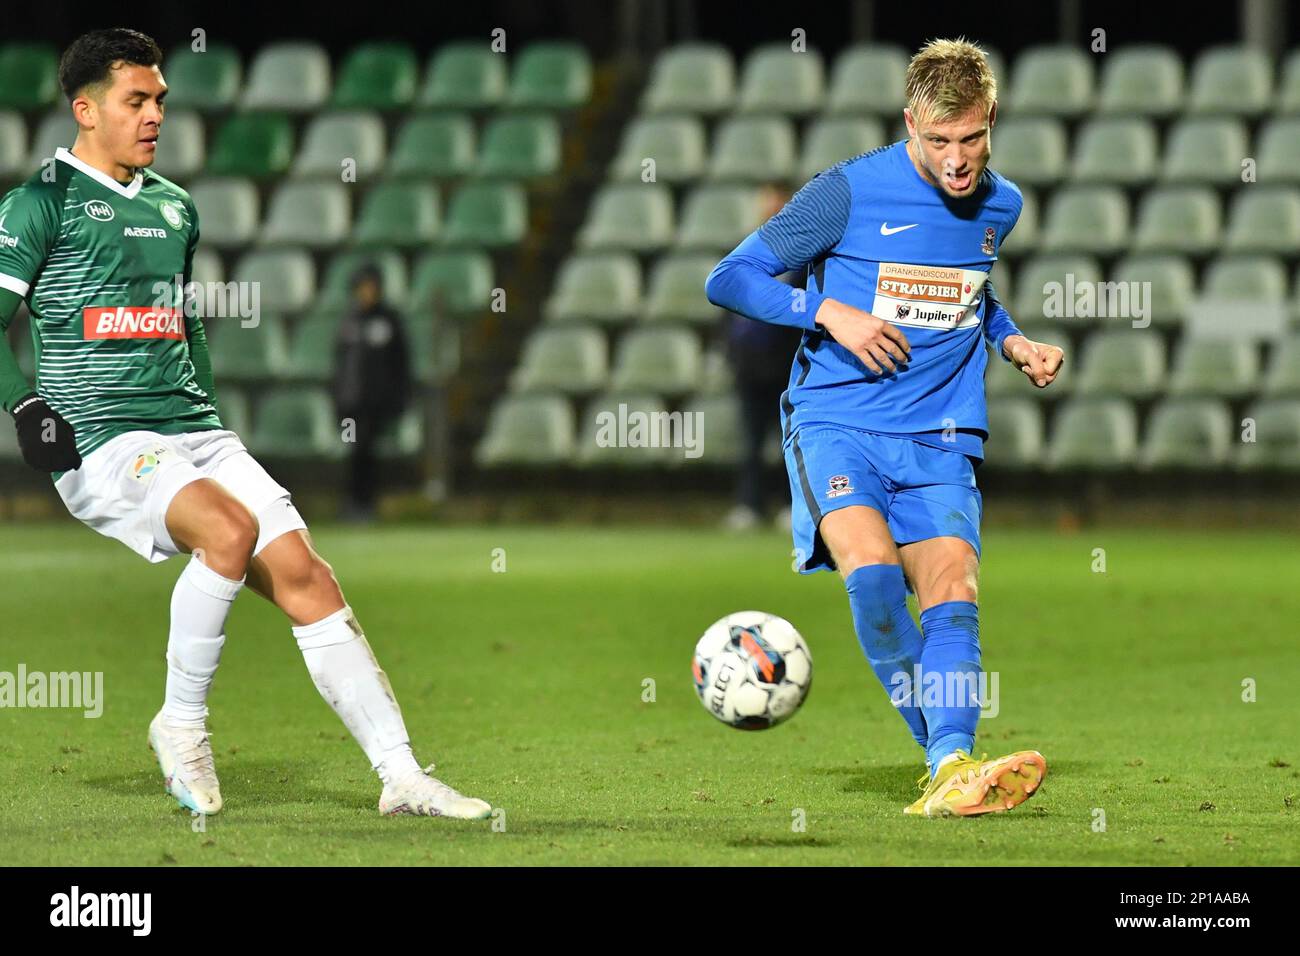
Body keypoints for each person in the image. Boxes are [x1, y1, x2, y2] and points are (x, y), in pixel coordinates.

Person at [0, 28, 489, 819]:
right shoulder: (38, 205)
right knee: (226, 533)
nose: (155, 114)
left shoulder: (174, 207)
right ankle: (181, 724)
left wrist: (212, 420)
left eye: (160, 99)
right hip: (100, 438)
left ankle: (401, 773)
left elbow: (181, 320)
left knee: (310, 579)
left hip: (192, 430)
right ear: (85, 110)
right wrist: (26, 407)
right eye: (137, 100)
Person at [706, 37, 1065, 817]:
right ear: (910, 124)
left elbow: (971, 290)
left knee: (952, 591)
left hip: (940, 433)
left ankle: (950, 765)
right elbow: (728, 278)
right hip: (839, 421)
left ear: (991, 119)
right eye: (938, 141)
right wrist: (826, 310)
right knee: (871, 579)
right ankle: (942, 761)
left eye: (971, 138)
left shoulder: (1001, 205)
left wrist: (1012, 341)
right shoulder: (846, 194)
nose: (958, 160)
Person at [723, 183, 802, 531]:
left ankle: (792, 506)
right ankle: (749, 505)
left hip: (787, 364)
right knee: (752, 442)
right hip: (749, 365)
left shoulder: (805, 256)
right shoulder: (742, 255)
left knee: (792, 440)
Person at [331, 263, 411, 522]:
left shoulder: (389, 320)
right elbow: (340, 363)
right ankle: (355, 503)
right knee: (356, 452)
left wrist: (398, 399)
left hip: (377, 403)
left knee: (367, 451)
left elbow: (401, 363)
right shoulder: (350, 321)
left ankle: (366, 503)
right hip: (351, 402)